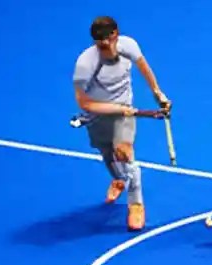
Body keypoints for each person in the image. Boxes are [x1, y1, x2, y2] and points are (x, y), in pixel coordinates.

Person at [72, 16, 171, 231]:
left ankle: (136, 203)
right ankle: (118, 179)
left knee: (123, 152)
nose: (104, 46)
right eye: (99, 43)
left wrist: (158, 93)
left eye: (108, 41)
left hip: (123, 110)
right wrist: (118, 109)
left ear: (115, 34)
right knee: (107, 153)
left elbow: (144, 67)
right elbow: (84, 102)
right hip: (98, 113)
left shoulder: (129, 46)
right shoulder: (85, 64)